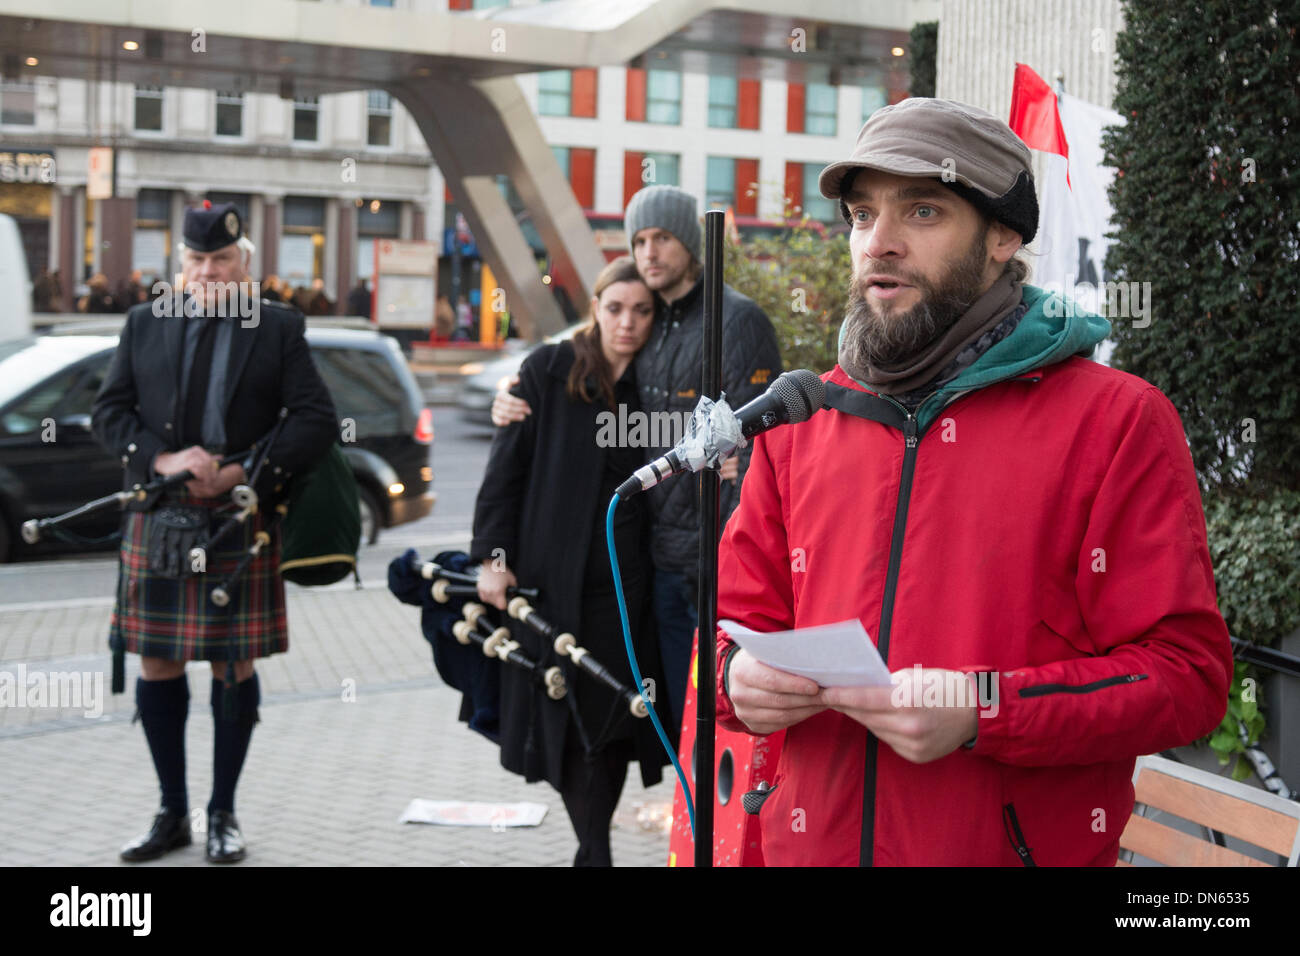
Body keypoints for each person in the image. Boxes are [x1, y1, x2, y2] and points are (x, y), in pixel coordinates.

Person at [713, 97, 1233, 866]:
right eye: (862, 215)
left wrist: (988, 709)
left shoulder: (1118, 422)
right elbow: (728, 625)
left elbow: (1185, 679)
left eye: (921, 212)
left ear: (1001, 237)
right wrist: (738, 680)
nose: (878, 244)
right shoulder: (803, 419)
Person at [92, 201, 337, 864]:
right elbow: (108, 414)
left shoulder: (278, 327)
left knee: (234, 665)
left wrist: (238, 472)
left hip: (237, 520)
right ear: (180, 266)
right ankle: (172, 812)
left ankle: (222, 813)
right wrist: (164, 460)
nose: (208, 273)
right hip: (160, 518)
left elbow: (315, 419)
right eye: (196, 261)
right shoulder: (145, 323)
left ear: (244, 265)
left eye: (221, 261)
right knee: (158, 661)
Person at [492, 185, 782, 735]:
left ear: (691, 245)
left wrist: (737, 558)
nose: (649, 252)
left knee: (728, 729)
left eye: (663, 238)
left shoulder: (736, 320)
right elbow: (583, 357)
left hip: (715, 568)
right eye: (640, 240)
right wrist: (512, 390)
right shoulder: (650, 324)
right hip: (659, 565)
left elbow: (754, 451)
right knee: (683, 719)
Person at [470, 255, 669, 866]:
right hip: (551, 580)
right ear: (596, 309)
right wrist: (493, 559)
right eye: (615, 309)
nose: (627, 323)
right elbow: (504, 477)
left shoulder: (657, 380)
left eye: (641, 311)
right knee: (559, 718)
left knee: (608, 722)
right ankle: (593, 849)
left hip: (623, 589)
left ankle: (593, 851)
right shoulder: (549, 368)